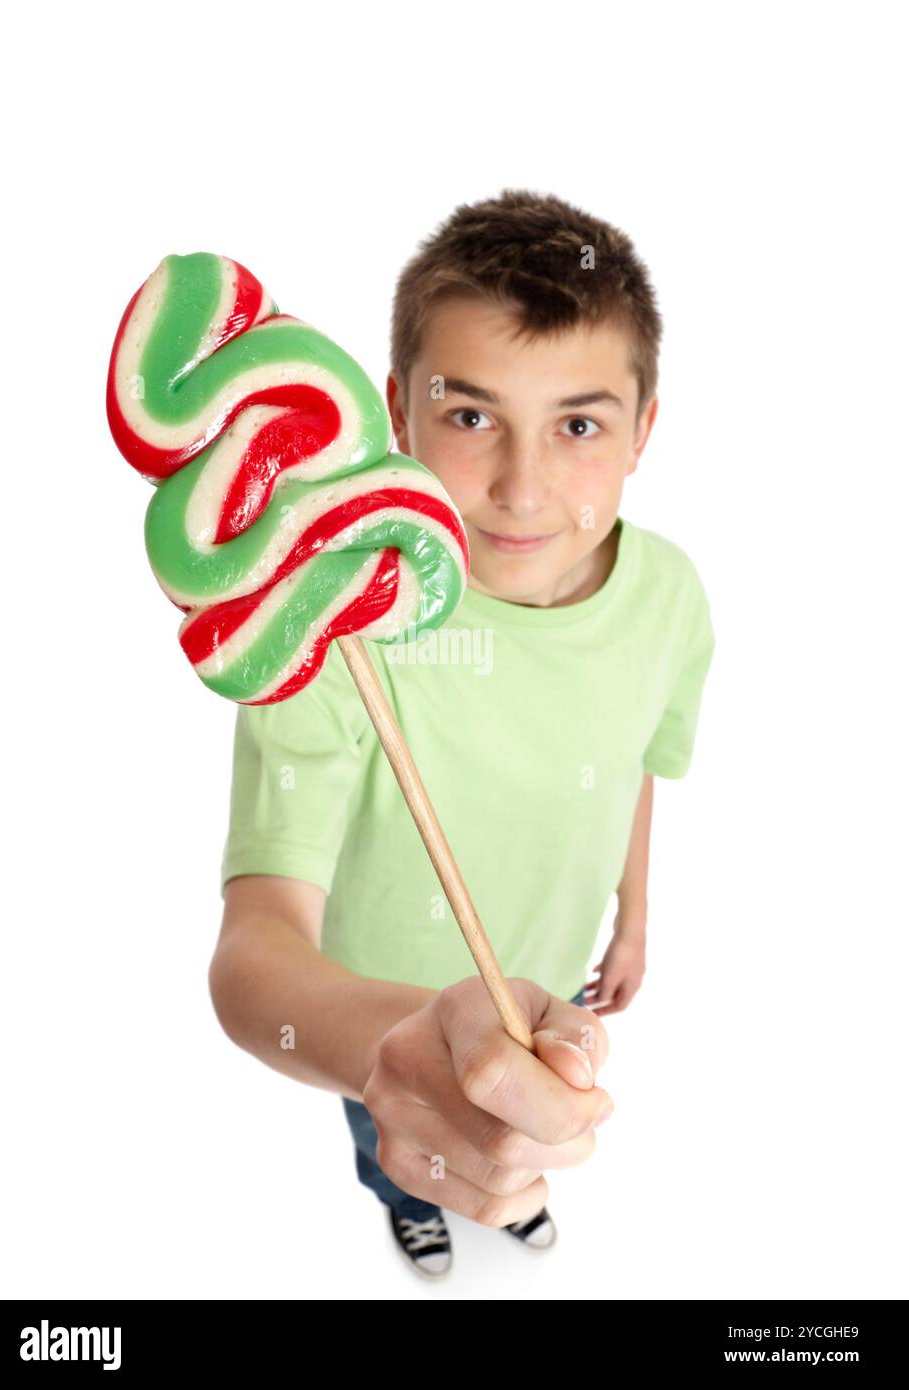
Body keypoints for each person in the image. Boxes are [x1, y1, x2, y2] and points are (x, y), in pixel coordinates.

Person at [208, 188, 716, 1279]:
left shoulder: (671, 595)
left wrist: (634, 912)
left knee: (520, 1126)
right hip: (379, 1015)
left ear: (645, 431)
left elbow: (637, 764)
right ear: (397, 410)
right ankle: (410, 1204)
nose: (522, 488)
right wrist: (387, 1049)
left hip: (549, 975)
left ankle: (506, 1202)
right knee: (404, 1140)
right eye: (472, 416)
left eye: (578, 424)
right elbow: (254, 953)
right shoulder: (336, 620)